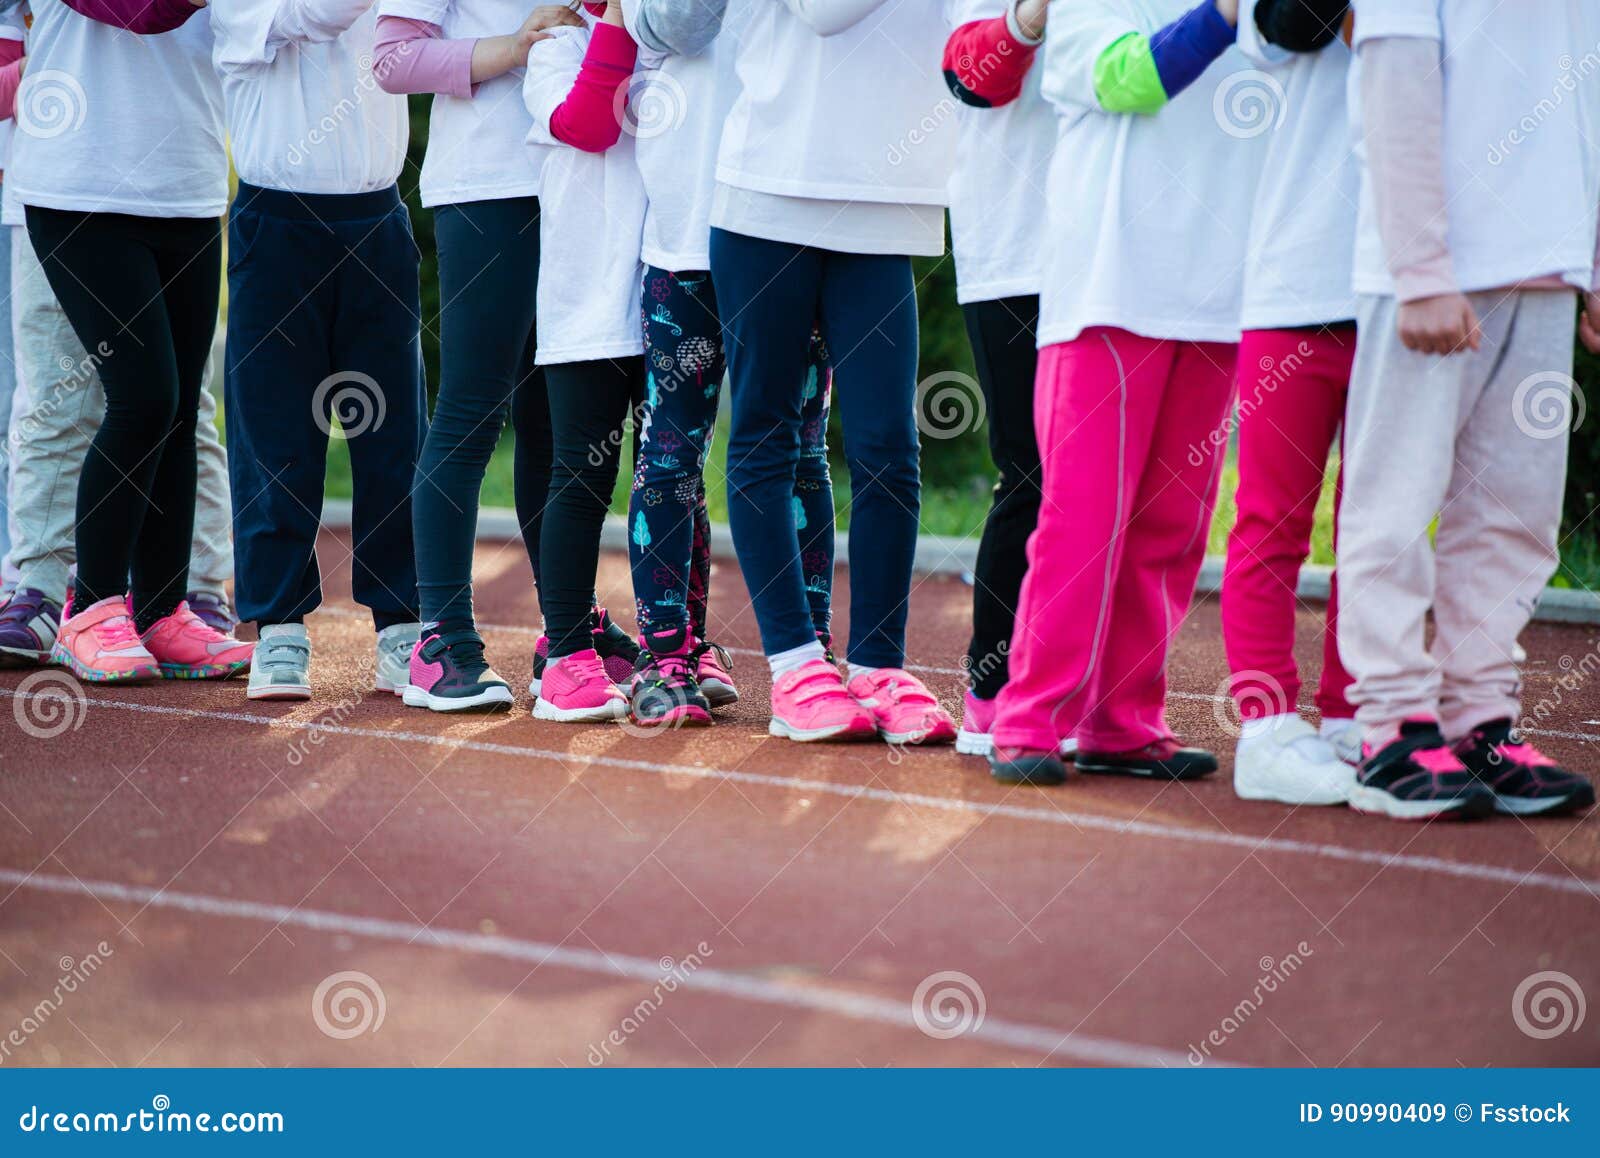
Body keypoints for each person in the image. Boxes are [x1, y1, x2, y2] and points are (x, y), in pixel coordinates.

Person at [987, 0, 1268, 785]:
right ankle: (1031, 718)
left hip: (1215, 298)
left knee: (1172, 528)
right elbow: (1128, 78)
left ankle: (1122, 719)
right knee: (1082, 525)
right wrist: (1223, 15)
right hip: (1106, 294)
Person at [1336, 0, 1598, 819]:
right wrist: (1421, 270)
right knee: (1396, 497)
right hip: (1434, 272)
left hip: (1548, 263)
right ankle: (1392, 725)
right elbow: (1395, 84)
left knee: (1515, 514)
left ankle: (1478, 716)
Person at [710, 0, 957, 744]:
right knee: (765, 432)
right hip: (768, 191)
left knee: (889, 444)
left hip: (889, 199)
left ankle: (879, 663)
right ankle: (794, 665)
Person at [12, 0, 252, 682]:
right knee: (144, 400)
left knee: (176, 413)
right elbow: (140, 10)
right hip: (79, 184)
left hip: (187, 183)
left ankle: (161, 610)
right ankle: (89, 611)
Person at [617, 0, 835, 727]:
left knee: (803, 445)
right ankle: (665, 655)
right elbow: (669, 25)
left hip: (793, 217)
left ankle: (812, 658)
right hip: (688, 230)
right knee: (675, 443)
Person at [372, 1, 591, 713]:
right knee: (470, 410)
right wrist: (515, 48)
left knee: (555, 421)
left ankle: (569, 630)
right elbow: (392, 60)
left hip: (577, 177)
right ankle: (442, 641)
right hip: (487, 187)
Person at [211, 0, 428, 701]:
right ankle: (279, 628)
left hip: (376, 218)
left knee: (394, 434)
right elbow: (318, 15)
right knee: (275, 434)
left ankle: (402, 624)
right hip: (278, 224)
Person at [1220, 0, 1360, 805]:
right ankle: (1267, 727)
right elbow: (1288, 23)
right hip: (1297, 275)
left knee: (1380, 520)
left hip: (1409, 282)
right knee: (1272, 517)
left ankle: (1354, 710)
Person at [520, 0, 646, 722]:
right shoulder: (555, 48)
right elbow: (588, 125)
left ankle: (672, 648)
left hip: (664, 287)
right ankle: (565, 653)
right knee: (583, 475)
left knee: (671, 475)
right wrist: (618, 21)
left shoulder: (667, 36)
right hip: (586, 305)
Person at [940, 0, 1057, 756]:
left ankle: (1080, 685)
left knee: (1118, 486)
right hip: (1017, 252)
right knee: (1034, 474)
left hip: (1121, 255)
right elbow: (970, 74)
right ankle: (992, 686)